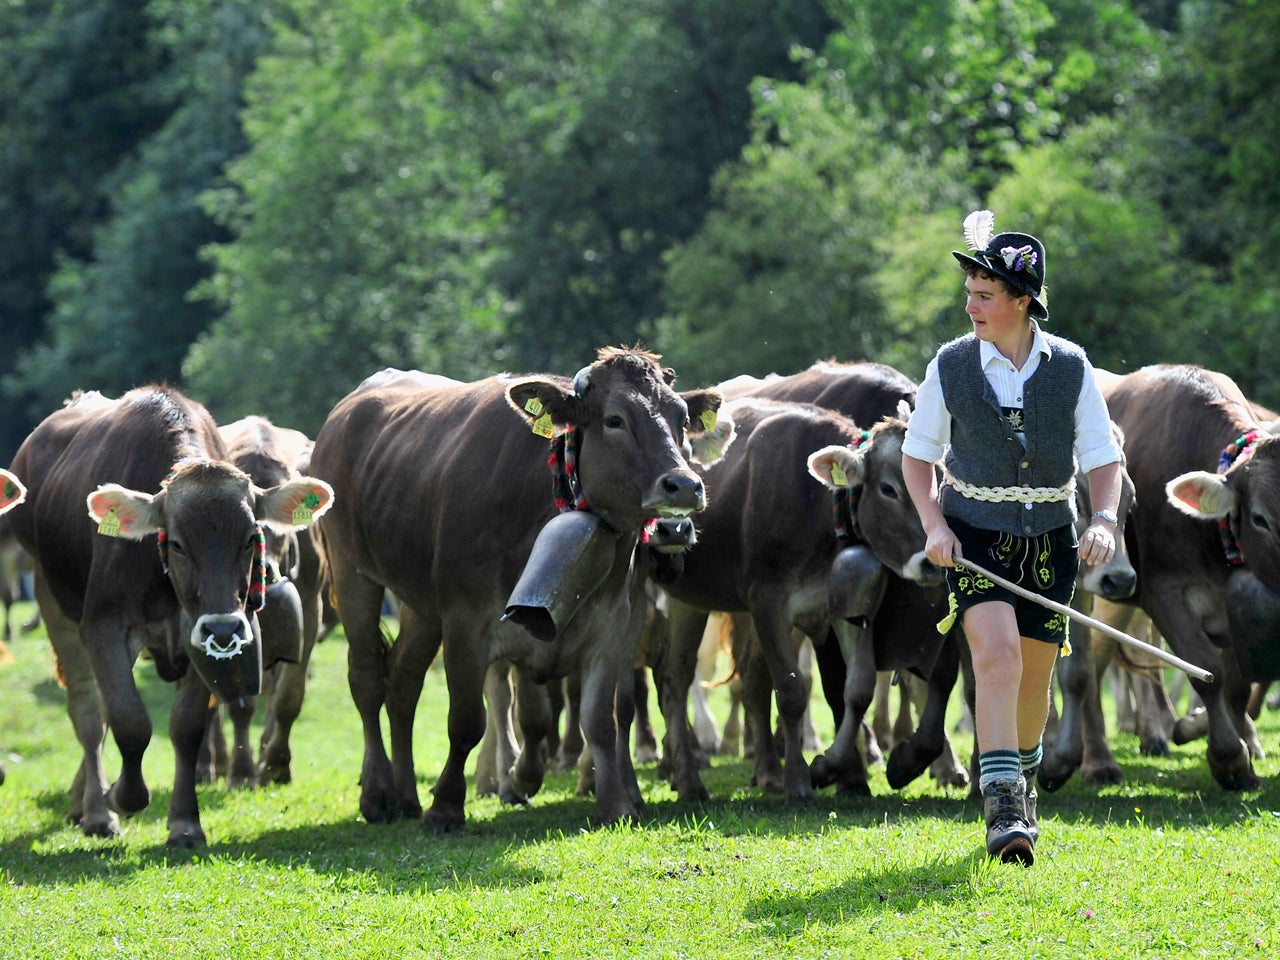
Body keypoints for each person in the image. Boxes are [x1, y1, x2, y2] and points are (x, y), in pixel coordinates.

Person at [901, 210, 1123, 866]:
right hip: (973, 536)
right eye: (969, 294)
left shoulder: (1073, 369)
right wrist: (934, 525)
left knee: (1034, 676)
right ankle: (1001, 807)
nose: (969, 306)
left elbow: (1103, 459)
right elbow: (917, 458)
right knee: (996, 658)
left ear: (1021, 302)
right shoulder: (949, 366)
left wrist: (1105, 519)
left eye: (984, 296)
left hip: (1053, 539)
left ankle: (1020, 782)